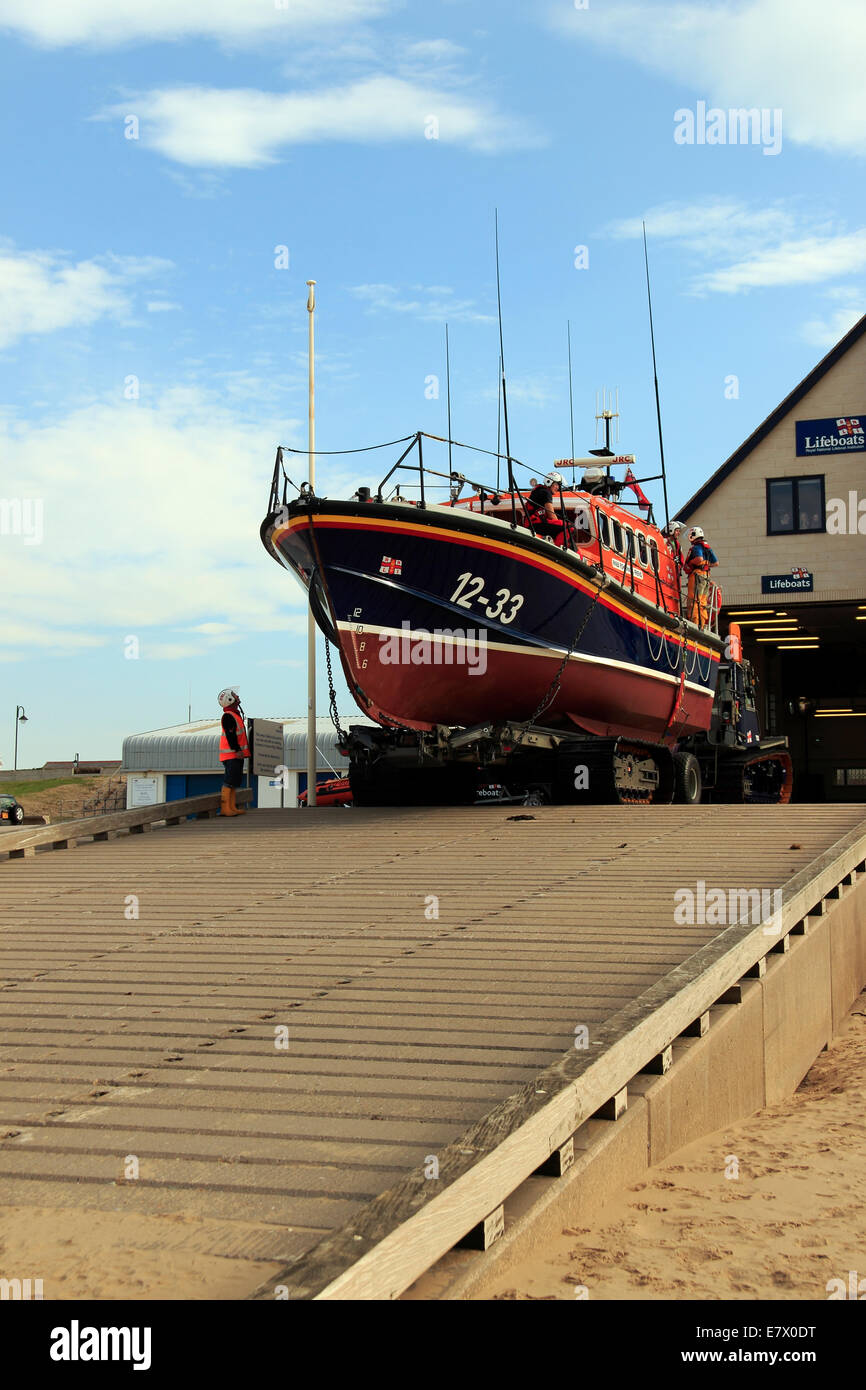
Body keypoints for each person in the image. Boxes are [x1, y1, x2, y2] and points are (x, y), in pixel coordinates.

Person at [218, 687, 249, 816]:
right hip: (231, 755)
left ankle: (232, 807)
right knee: (229, 781)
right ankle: (225, 808)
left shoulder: (234, 715)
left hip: (235, 755)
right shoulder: (228, 716)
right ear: (230, 699)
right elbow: (231, 736)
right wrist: (237, 750)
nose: (238, 697)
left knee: (235, 781)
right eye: (235, 695)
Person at [682, 527, 718, 627]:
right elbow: (716, 563)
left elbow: (699, 558)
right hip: (706, 576)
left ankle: (695, 623)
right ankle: (701, 624)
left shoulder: (696, 547)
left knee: (694, 600)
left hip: (697, 575)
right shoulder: (707, 547)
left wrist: (691, 562)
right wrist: (705, 566)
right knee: (702, 602)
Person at [526, 471, 566, 541]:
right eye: (556, 484)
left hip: (532, 524)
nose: (558, 488)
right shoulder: (546, 493)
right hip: (536, 524)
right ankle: (561, 547)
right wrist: (559, 523)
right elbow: (551, 515)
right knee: (569, 527)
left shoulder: (539, 491)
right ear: (549, 482)